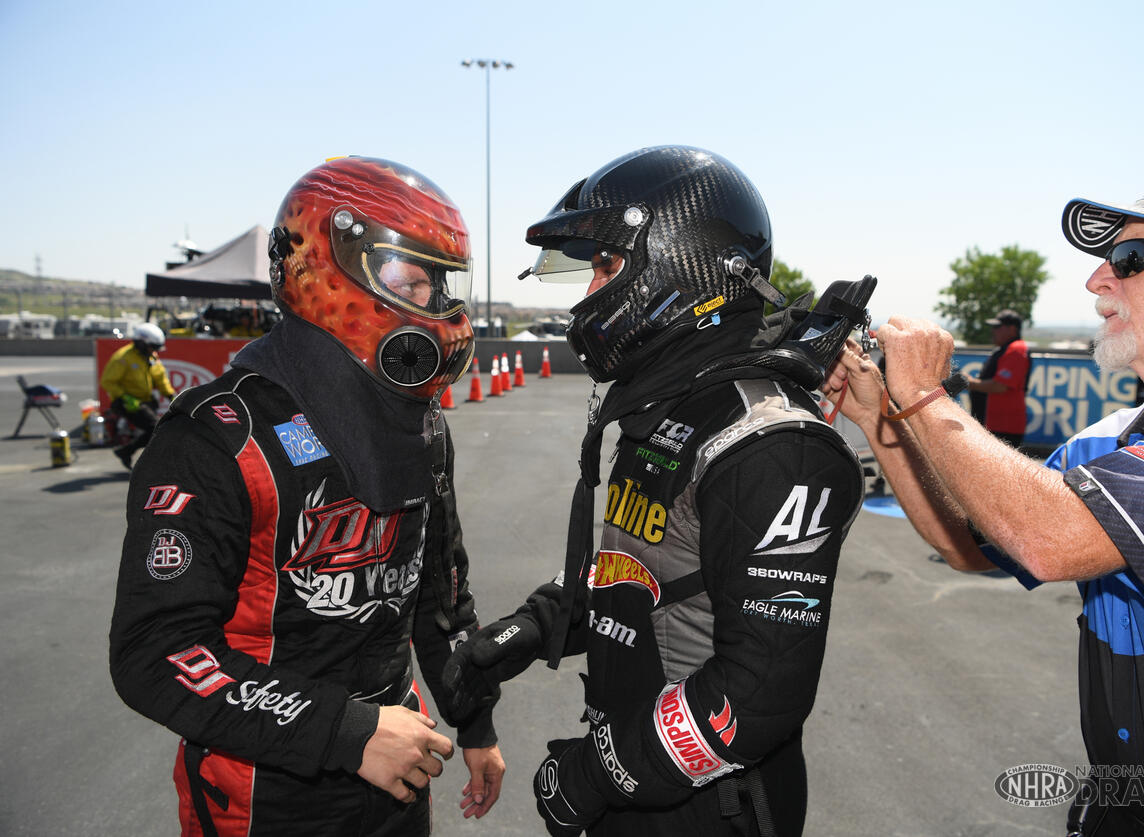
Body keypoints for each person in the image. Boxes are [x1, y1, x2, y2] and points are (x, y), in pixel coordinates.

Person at [825, 170, 1144, 836]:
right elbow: (971, 545)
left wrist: (924, 395)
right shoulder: (1111, 436)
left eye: (1130, 259)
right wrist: (883, 422)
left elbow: (1051, 538)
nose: (1098, 281)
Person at [440, 145, 863, 836]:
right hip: (643, 792)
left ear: (681, 262)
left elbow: (756, 698)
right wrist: (535, 626)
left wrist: (594, 776)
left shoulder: (771, 442)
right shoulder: (672, 404)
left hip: (709, 811)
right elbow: (654, 573)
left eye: (606, 267)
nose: (588, 292)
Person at [109, 156, 505, 836]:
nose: (439, 305)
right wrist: (345, 731)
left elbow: (438, 594)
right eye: (412, 278)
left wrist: (475, 718)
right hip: (269, 789)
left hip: (398, 767)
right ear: (328, 266)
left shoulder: (422, 423)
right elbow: (156, 649)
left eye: (441, 283)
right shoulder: (217, 438)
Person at [100, 321, 177, 469]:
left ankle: (128, 452)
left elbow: (161, 380)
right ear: (141, 343)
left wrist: (172, 397)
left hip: (145, 401)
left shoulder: (152, 358)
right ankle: (130, 454)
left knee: (158, 430)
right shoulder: (123, 357)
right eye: (151, 347)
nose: (154, 351)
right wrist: (124, 397)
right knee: (156, 428)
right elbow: (108, 381)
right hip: (124, 402)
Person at [965, 308, 1030, 447]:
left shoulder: (1016, 349)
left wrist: (970, 382)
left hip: (1004, 425)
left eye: (997, 327)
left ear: (1012, 329)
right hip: (996, 424)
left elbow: (1000, 386)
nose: (993, 331)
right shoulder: (1006, 349)